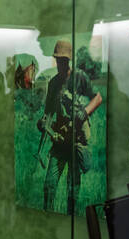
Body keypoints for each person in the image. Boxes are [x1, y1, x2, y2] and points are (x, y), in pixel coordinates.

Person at [38, 38, 103, 215]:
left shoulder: (80, 77)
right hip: (59, 141)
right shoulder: (53, 84)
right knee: (49, 185)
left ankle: (70, 220)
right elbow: (48, 112)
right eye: (58, 60)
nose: (61, 63)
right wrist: (43, 123)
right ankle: (48, 220)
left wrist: (85, 112)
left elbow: (97, 98)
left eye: (64, 60)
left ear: (69, 60)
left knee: (72, 190)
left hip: (76, 140)